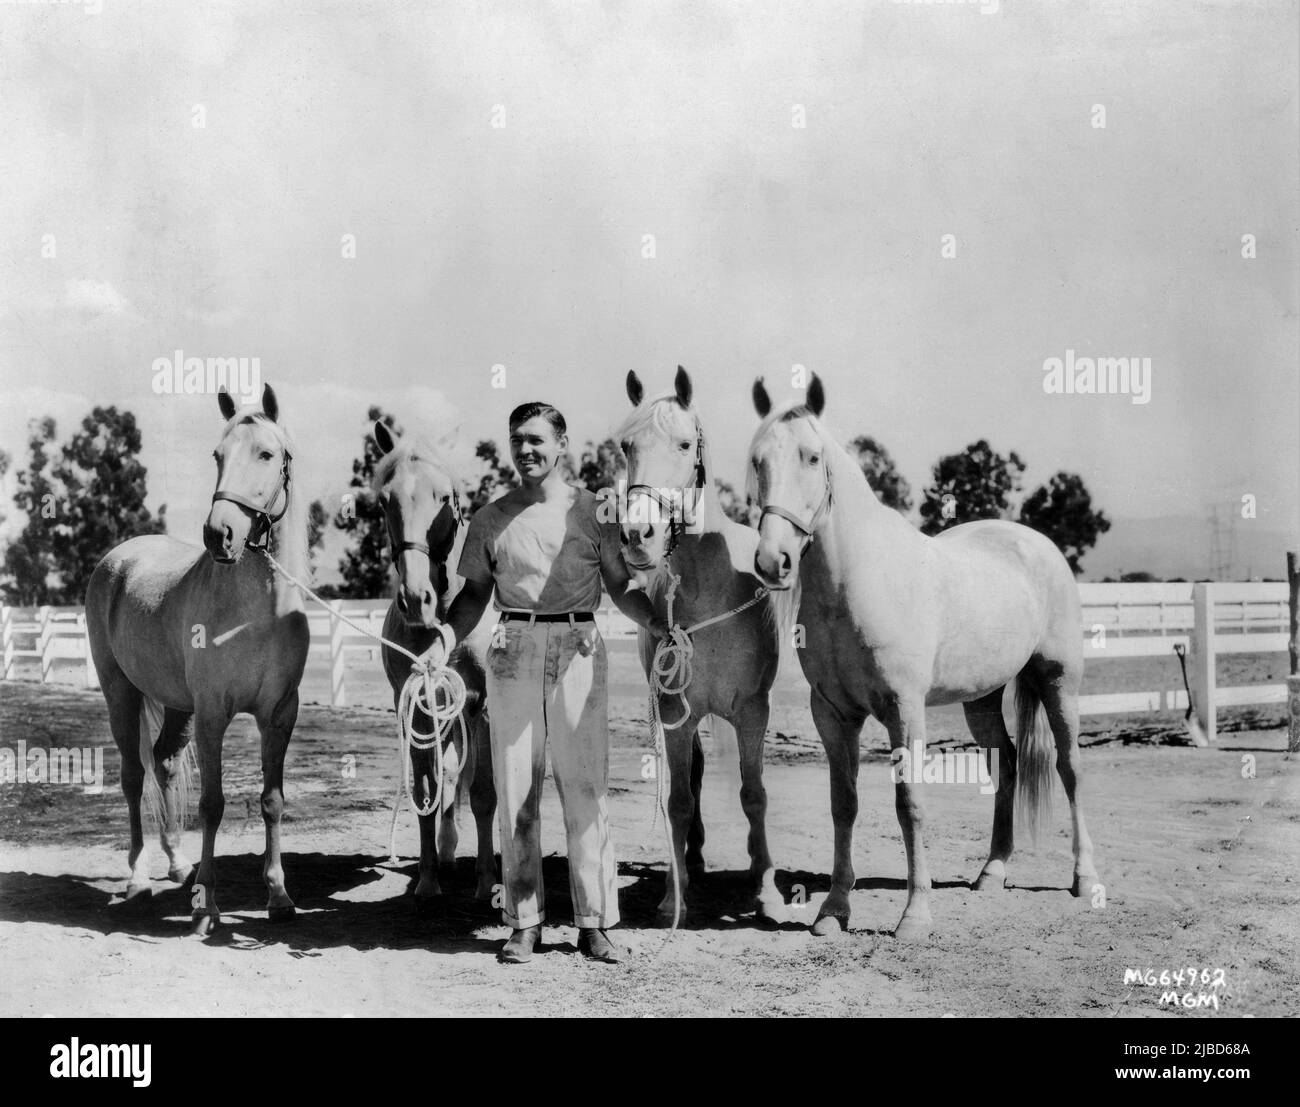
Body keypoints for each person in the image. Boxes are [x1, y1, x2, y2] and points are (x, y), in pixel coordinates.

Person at [430, 401, 666, 964]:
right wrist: (442, 641)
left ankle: (594, 923)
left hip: (579, 649)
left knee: (585, 790)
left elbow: (618, 585)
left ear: (562, 445)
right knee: (517, 793)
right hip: (511, 651)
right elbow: (471, 598)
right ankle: (523, 921)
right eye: (518, 441)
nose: (526, 450)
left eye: (537, 440)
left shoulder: (592, 513)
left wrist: (661, 622)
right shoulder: (490, 519)